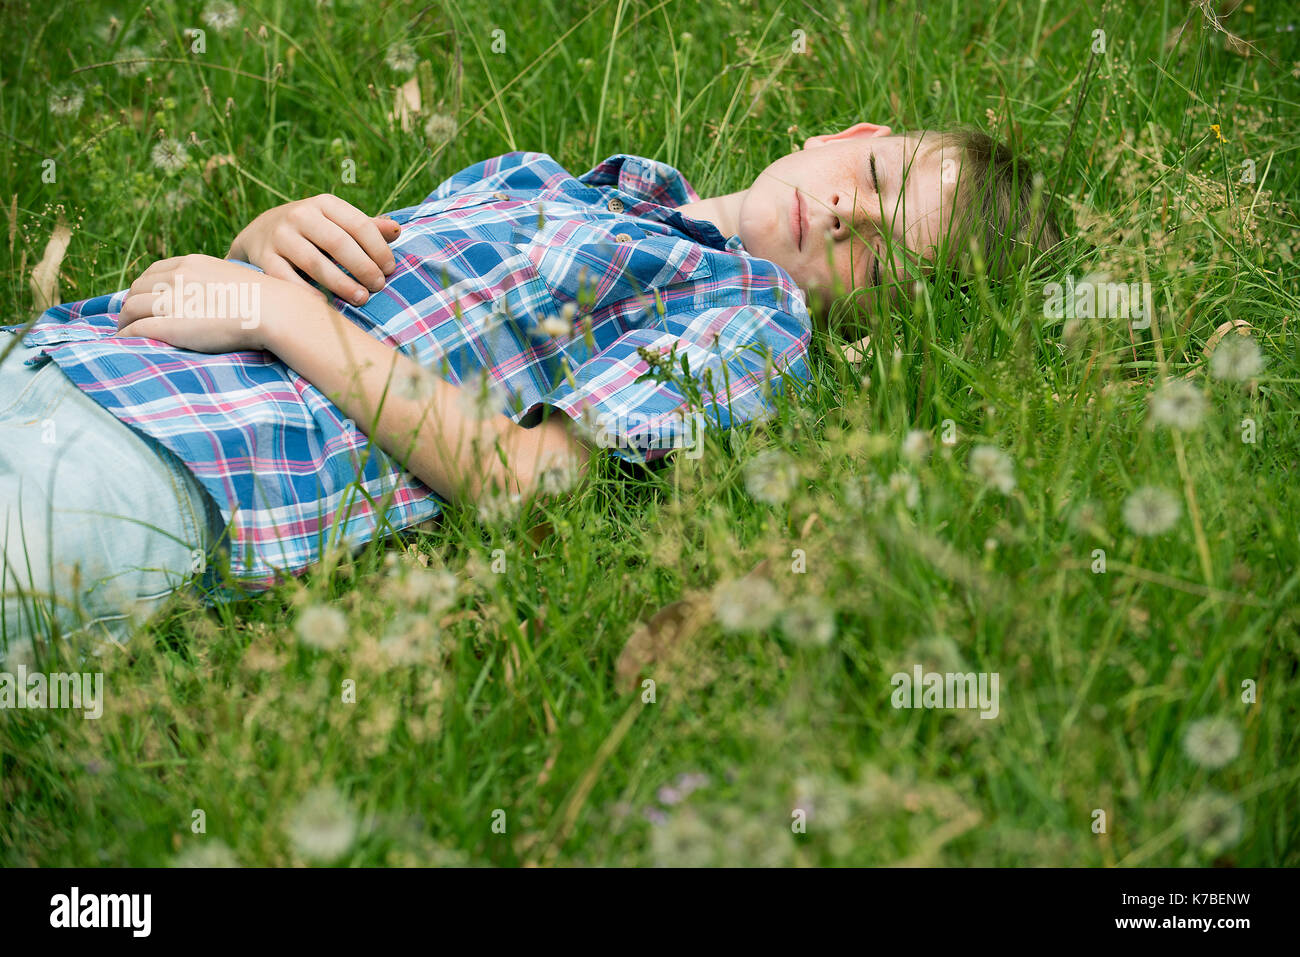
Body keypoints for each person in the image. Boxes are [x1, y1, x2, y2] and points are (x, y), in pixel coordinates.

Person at [0, 121, 1061, 654]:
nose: (843, 217)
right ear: (851, 138)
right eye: (869, 186)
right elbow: (296, 283)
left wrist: (280, 313)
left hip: (163, 465)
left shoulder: (755, 324)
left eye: (878, 256)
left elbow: (519, 479)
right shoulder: (543, 179)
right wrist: (270, 241)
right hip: (70, 348)